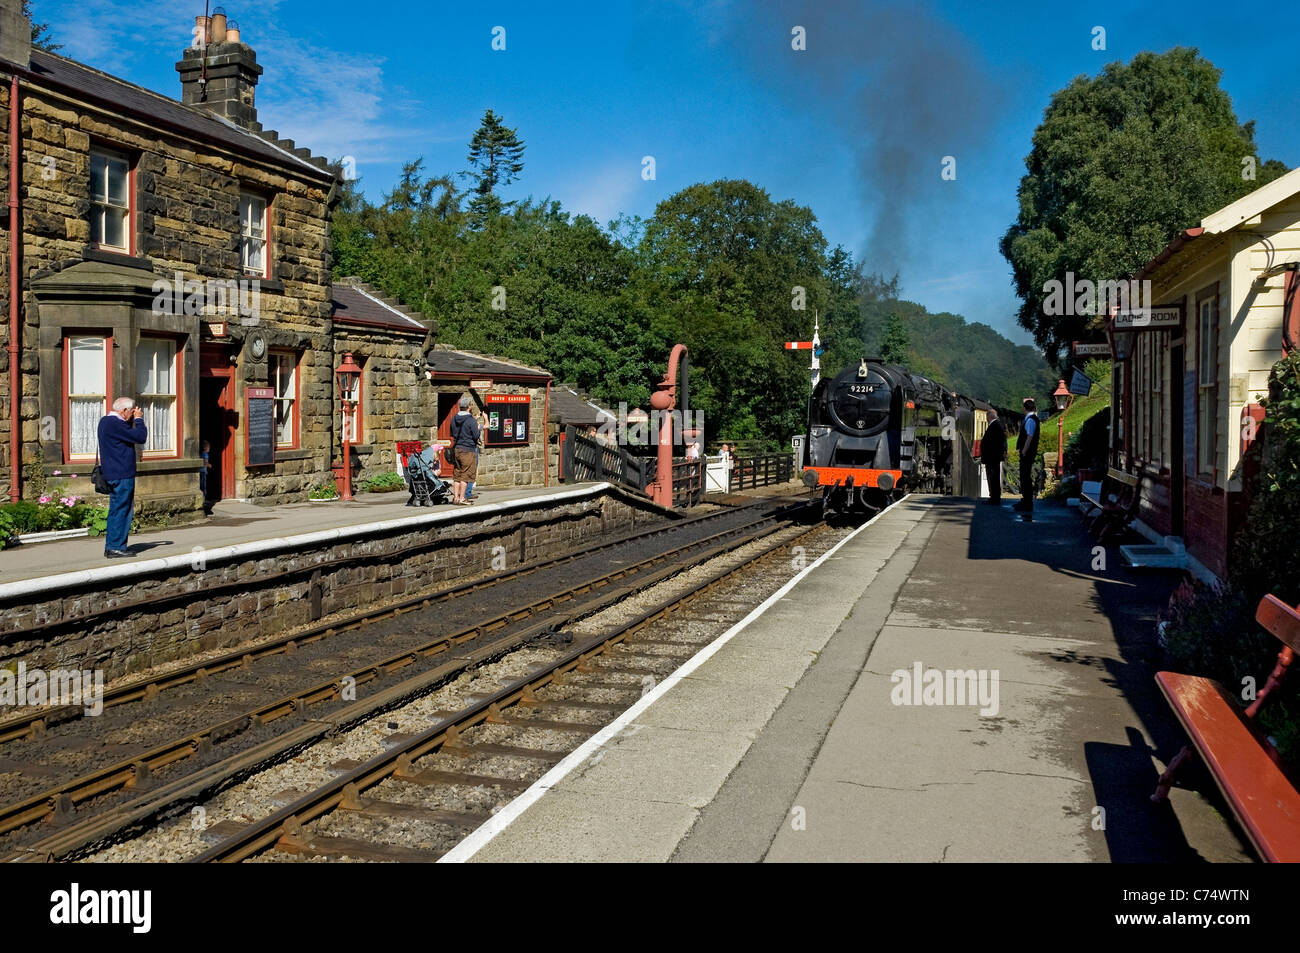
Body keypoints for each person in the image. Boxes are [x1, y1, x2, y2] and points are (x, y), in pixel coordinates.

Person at [98, 396, 148, 557]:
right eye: (132, 412)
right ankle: (115, 547)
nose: (133, 415)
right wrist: (139, 420)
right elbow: (140, 437)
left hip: (112, 472)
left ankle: (114, 545)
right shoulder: (116, 424)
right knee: (122, 510)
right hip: (121, 474)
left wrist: (132, 419)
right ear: (124, 410)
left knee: (116, 509)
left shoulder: (105, 421)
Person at [450, 396, 481, 505]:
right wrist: (477, 428)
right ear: (469, 406)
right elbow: (476, 435)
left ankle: (456, 498)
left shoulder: (454, 418)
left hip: (457, 449)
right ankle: (462, 498)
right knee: (466, 474)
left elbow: (452, 433)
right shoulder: (471, 420)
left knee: (457, 474)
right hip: (468, 450)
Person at [1014, 398, 1040, 520]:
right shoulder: (1032, 419)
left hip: (1027, 453)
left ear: (1025, 408)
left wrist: (1024, 450)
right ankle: (1025, 500)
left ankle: (1027, 502)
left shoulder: (1030, 420)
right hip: (1028, 452)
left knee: (1025, 476)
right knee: (1024, 476)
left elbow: (1029, 436)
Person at [980, 411, 1006, 505]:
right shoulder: (997, 425)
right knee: (993, 478)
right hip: (993, 457)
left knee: (993, 478)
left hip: (992, 457)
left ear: (988, 417)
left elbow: (993, 443)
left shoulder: (995, 426)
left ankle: (994, 498)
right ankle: (994, 497)